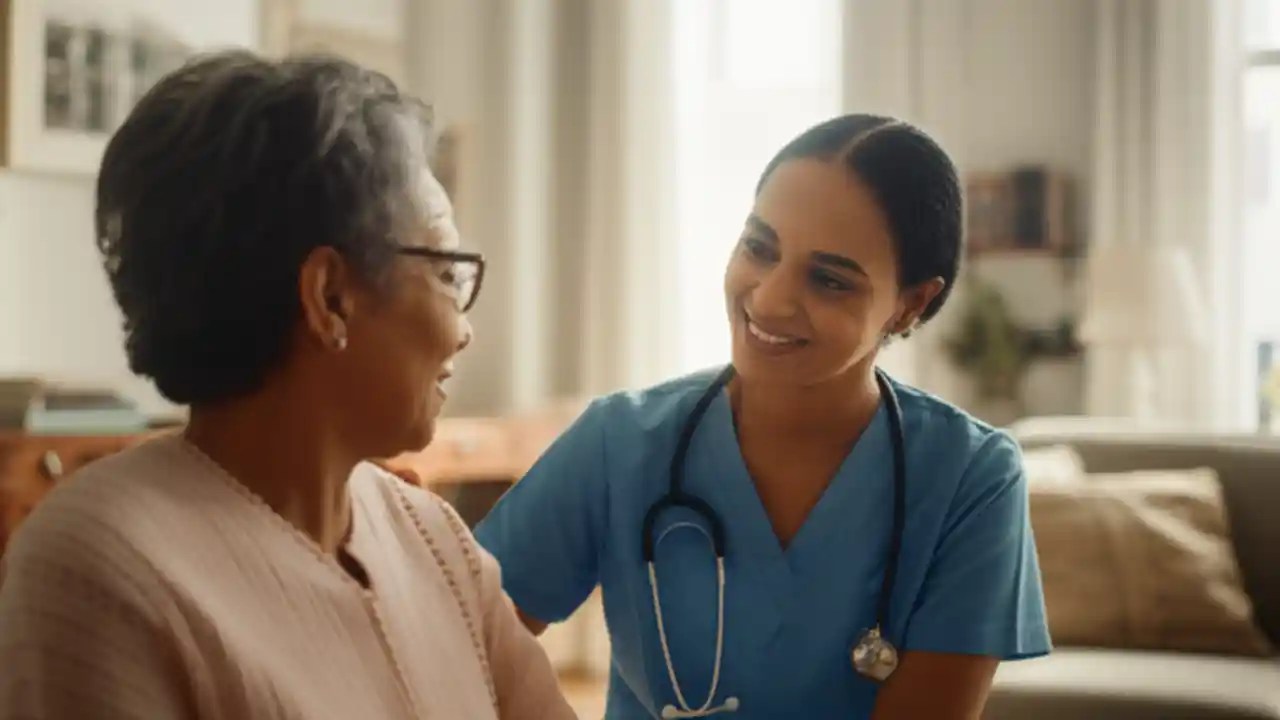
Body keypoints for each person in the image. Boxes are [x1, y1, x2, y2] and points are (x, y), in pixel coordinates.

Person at [0, 51, 574, 720]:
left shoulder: (434, 541)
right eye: (448, 273)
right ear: (329, 297)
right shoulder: (98, 569)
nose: (463, 330)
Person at [475, 114, 1052, 718]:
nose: (770, 299)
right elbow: (461, 640)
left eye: (829, 280)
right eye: (759, 248)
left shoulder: (971, 478)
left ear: (911, 303)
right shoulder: (618, 442)